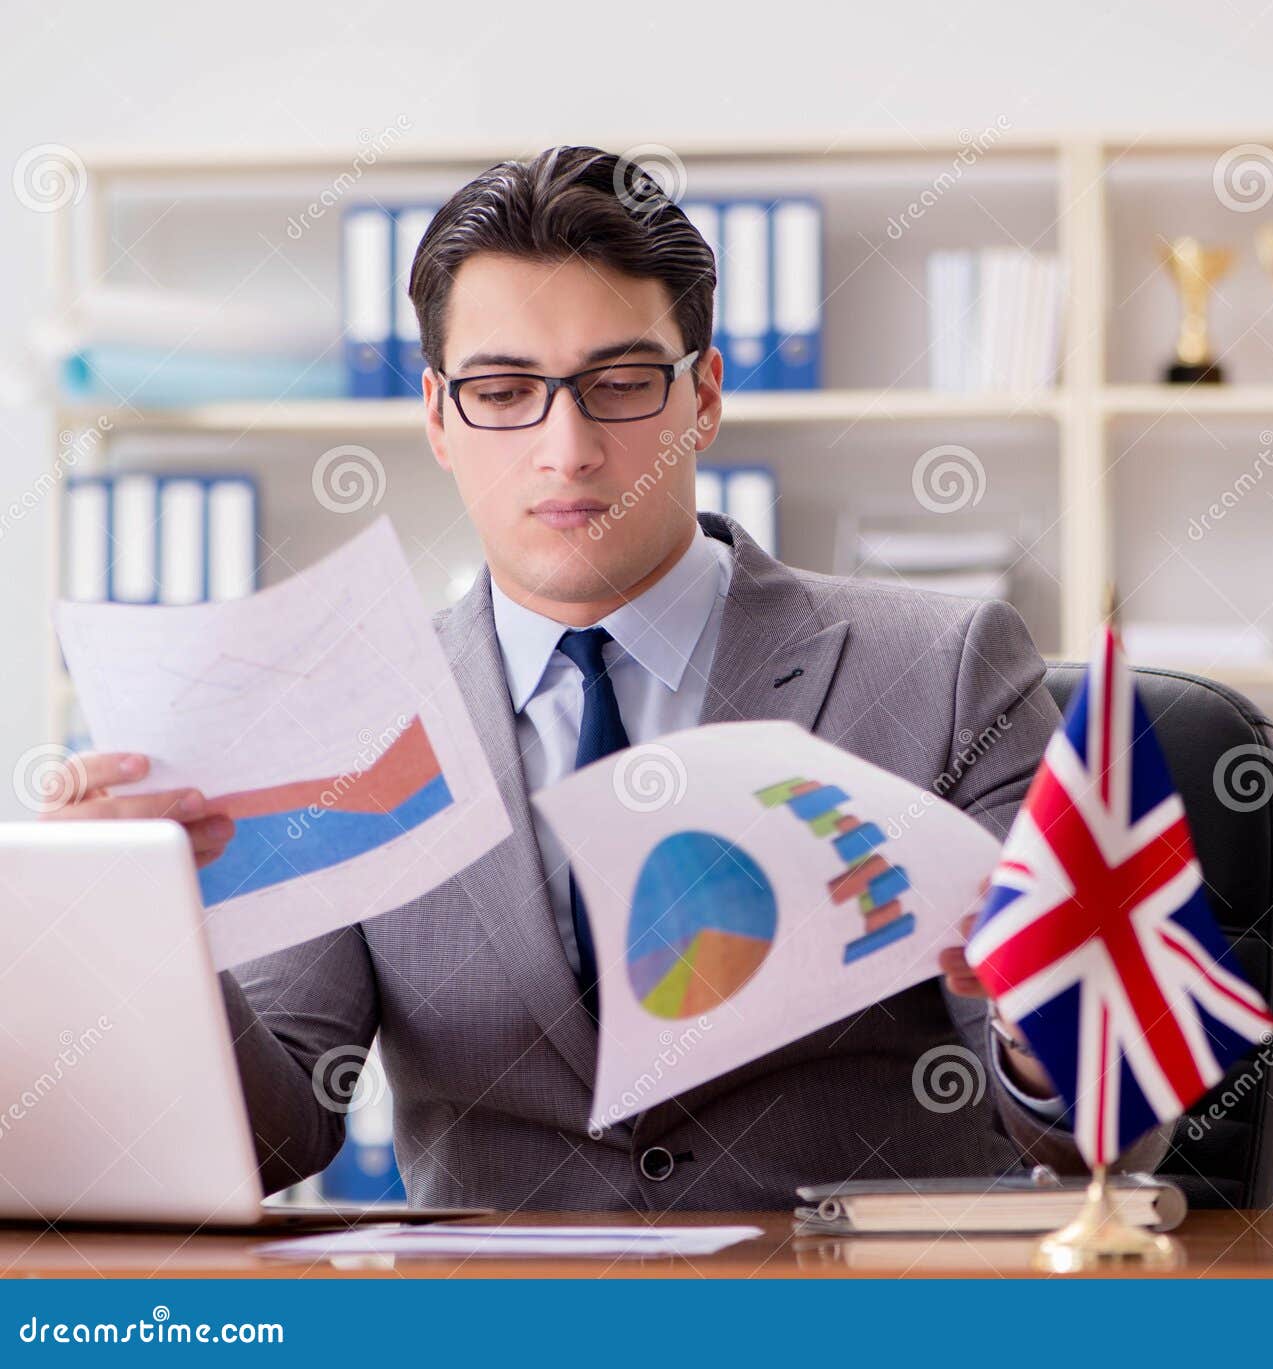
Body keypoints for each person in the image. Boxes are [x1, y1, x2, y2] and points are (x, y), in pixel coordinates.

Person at [43, 147, 1163, 1209]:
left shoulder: (943, 668)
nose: (566, 446)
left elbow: (1093, 1128)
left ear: (705, 397)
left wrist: (1038, 1017)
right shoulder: (347, 715)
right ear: (438, 415)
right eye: (502, 390)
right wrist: (133, 927)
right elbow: (275, 1134)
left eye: (620, 383)